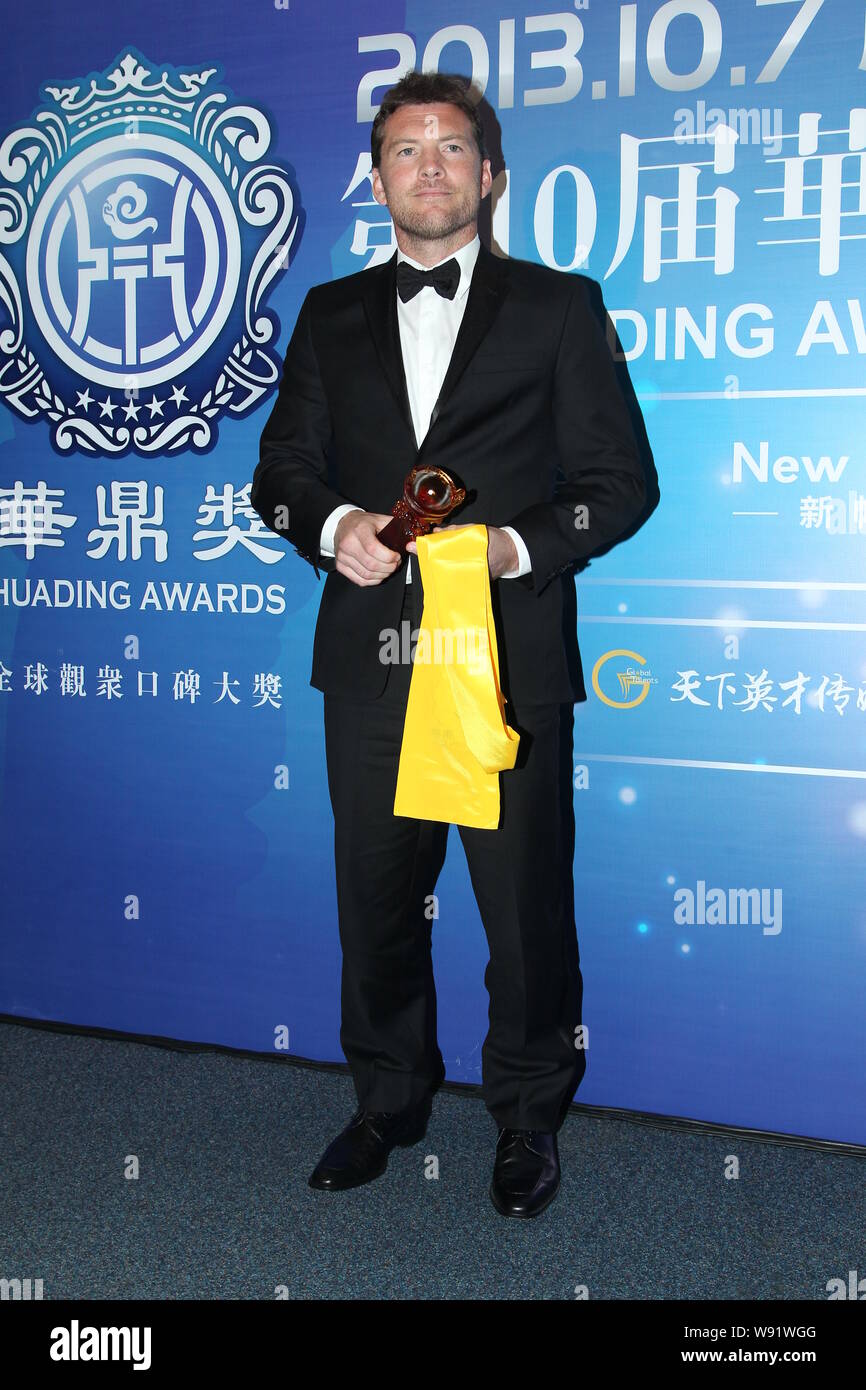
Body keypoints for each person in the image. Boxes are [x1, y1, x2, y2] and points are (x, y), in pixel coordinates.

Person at [250, 69, 649, 1218]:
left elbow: (618, 484)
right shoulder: (330, 317)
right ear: (375, 177)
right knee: (374, 893)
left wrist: (510, 550)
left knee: (521, 902)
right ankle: (386, 1097)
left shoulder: (558, 307)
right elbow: (281, 472)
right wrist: (333, 530)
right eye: (403, 148)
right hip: (369, 659)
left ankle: (525, 1117)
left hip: (505, 661)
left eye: (449, 147)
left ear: (489, 173)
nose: (426, 165)